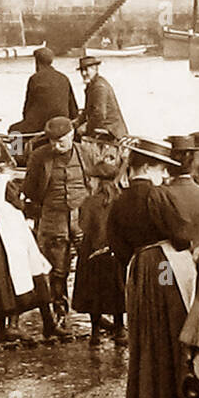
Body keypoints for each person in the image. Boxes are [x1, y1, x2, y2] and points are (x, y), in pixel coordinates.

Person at [106, 138, 186, 398]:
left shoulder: (119, 200)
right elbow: (180, 235)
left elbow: (116, 244)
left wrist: (136, 259)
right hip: (164, 265)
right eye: (162, 169)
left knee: (144, 334)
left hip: (137, 267)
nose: (164, 176)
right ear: (149, 167)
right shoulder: (157, 196)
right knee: (169, 329)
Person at [0, 151, 61, 344]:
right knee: (13, 282)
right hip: (5, 242)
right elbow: (20, 206)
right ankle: (22, 326)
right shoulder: (2, 184)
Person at [20, 117, 107, 318]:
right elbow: (30, 189)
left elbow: (105, 174)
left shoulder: (87, 152)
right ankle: (59, 309)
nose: (56, 146)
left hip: (83, 217)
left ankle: (96, 312)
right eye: (52, 142)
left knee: (91, 265)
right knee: (57, 268)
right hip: (53, 218)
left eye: (61, 142)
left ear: (71, 135)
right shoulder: (38, 156)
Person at [71, 135, 127, 347]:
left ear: (95, 180)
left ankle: (95, 332)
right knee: (117, 291)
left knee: (94, 293)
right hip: (115, 252)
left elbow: (83, 226)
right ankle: (120, 329)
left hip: (92, 252)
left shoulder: (89, 202)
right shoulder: (121, 200)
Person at [12, 47, 77, 135]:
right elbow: (73, 108)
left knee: (14, 130)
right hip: (61, 123)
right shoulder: (64, 78)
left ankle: (18, 149)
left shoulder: (35, 79)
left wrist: (26, 120)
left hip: (40, 124)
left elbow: (28, 105)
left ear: (37, 62)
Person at [76, 55, 128, 138]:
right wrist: (76, 123)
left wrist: (86, 127)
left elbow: (99, 114)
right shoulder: (92, 85)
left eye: (86, 70)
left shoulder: (99, 87)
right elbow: (87, 111)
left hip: (111, 132)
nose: (83, 73)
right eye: (81, 70)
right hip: (103, 128)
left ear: (95, 69)